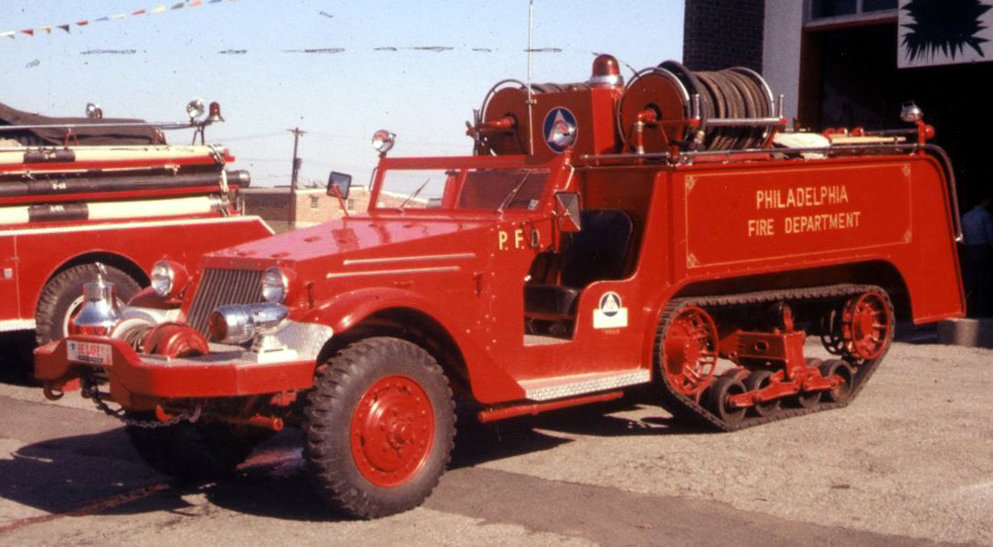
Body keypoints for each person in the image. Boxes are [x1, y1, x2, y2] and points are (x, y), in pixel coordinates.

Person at [961, 196, 993, 317]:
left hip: (969, 249)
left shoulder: (966, 216)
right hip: (983, 248)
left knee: (970, 281)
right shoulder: (985, 215)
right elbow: (990, 235)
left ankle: (968, 310)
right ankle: (982, 311)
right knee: (984, 281)